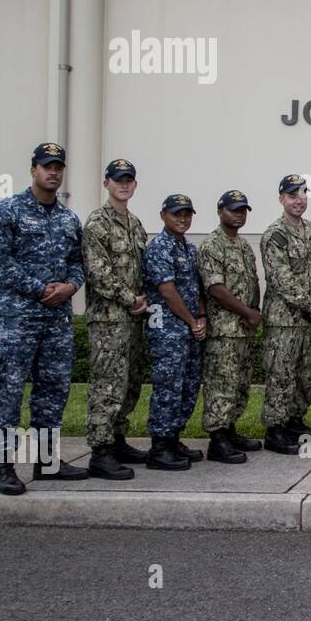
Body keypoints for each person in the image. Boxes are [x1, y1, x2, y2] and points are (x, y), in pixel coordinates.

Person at [0, 142, 88, 495]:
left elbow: (78, 261)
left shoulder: (68, 218)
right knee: (10, 393)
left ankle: (45, 462)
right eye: (46, 166)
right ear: (33, 170)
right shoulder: (7, 211)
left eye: (58, 166)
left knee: (52, 392)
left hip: (56, 320)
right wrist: (40, 288)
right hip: (18, 318)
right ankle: (4, 466)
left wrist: (71, 286)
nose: (53, 172)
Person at [81, 158, 149, 480]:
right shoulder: (97, 223)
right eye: (118, 179)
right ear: (106, 183)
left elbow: (142, 270)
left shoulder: (135, 225)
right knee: (107, 385)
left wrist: (143, 301)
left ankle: (118, 439)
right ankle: (100, 451)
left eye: (129, 180)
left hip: (132, 320)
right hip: (108, 321)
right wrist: (130, 299)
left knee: (129, 382)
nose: (124, 184)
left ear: (135, 185)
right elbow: (98, 273)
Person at [261, 174, 311, 454]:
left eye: (302, 194)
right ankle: (275, 431)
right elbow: (281, 278)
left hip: (309, 320)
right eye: (292, 195)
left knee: (307, 373)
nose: (298, 200)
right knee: (281, 374)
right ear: (281, 199)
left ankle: (294, 421)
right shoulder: (274, 234)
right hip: (284, 321)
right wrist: (309, 304)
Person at [198, 190, 264, 463]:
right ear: (219, 211)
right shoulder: (212, 245)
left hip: (243, 329)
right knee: (221, 383)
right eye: (233, 209)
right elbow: (215, 289)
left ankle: (230, 428)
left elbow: (253, 281)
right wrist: (247, 312)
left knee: (238, 383)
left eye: (242, 210)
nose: (238, 214)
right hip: (224, 330)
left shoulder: (243, 245)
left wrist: (255, 311)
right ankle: (218, 438)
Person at [143, 194, 206, 471]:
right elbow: (168, 292)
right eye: (176, 214)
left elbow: (197, 287)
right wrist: (192, 321)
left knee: (188, 384)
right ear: (163, 215)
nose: (182, 219)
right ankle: (160, 446)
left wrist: (201, 317)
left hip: (190, 327)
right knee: (168, 386)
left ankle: (174, 437)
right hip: (168, 328)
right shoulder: (159, 247)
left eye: (187, 214)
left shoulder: (189, 249)